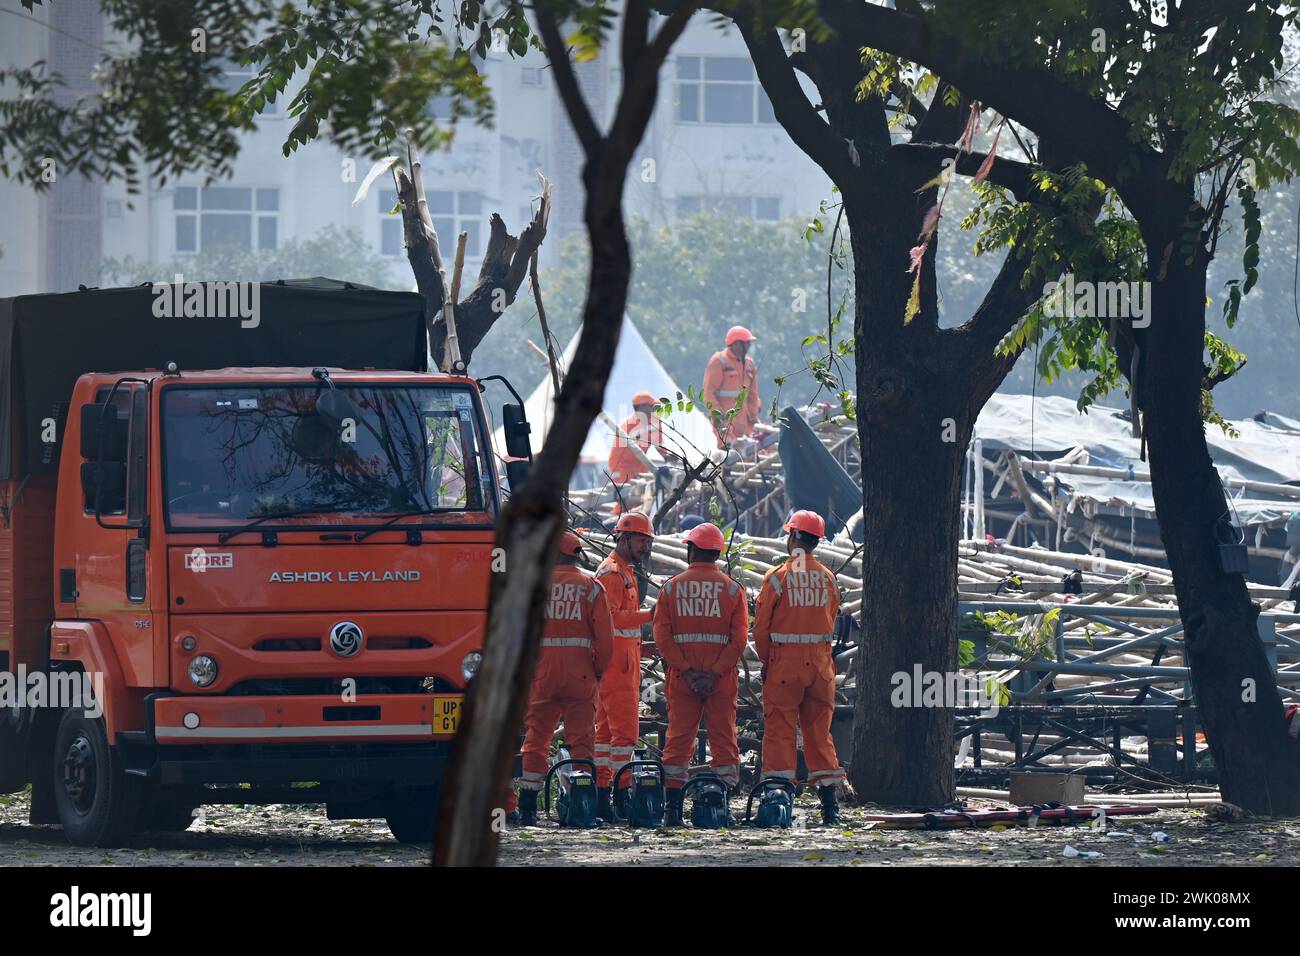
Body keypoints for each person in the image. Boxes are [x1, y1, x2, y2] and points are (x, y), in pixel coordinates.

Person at [752, 509, 846, 824]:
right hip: (820, 667)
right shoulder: (828, 579)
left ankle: (778, 800)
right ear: (816, 542)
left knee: (780, 730)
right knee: (820, 731)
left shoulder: (778, 577)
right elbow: (831, 621)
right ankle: (830, 804)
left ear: (793, 536)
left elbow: (760, 630)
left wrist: (769, 662)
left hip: (785, 667)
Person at [515, 531, 615, 825]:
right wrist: (597, 670)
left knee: (536, 738)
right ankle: (580, 808)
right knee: (581, 740)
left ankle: (529, 806)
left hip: (542, 674)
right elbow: (606, 641)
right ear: (576, 554)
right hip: (581, 675)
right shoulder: (592, 587)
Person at [652, 521, 748, 826]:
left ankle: (673, 812)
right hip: (720, 681)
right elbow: (739, 640)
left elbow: (662, 638)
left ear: (692, 549)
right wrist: (715, 673)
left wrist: (689, 672)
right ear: (717, 553)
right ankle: (722, 811)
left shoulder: (671, 588)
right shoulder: (733, 589)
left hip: (683, 679)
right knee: (724, 740)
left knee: (678, 740)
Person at [593, 510, 656, 821]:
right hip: (617, 666)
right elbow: (612, 619)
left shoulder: (623, 571)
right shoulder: (613, 573)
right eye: (642, 541)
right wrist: (651, 616)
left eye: (648, 542)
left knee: (605, 736)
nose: (646, 547)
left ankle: (602, 797)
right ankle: (623, 797)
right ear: (625, 537)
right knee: (625, 736)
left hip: (621, 663)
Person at [702, 326, 761, 447]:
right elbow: (709, 392)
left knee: (749, 452)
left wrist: (754, 416)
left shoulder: (750, 364)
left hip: (744, 420)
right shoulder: (719, 361)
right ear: (736, 344)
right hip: (725, 420)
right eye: (746, 343)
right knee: (728, 453)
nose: (749, 346)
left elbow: (753, 395)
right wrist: (718, 416)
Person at [608, 391, 671, 490]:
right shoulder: (628, 425)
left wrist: (666, 456)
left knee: (641, 496)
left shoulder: (654, 421)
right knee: (626, 499)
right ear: (641, 408)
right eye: (651, 406)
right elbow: (618, 455)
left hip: (640, 465)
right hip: (621, 467)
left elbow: (659, 444)